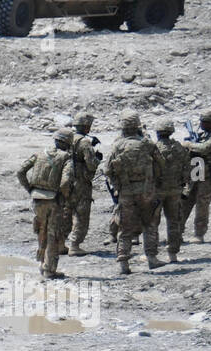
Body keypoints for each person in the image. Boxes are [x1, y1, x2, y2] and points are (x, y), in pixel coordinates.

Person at [103, 112, 164, 274]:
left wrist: (117, 185)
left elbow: (107, 170)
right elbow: (161, 166)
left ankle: (124, 263)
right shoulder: (148, 144)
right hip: (146, 191)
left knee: (125, 227)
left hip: (126, 192)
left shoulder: (117, 146)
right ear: (137, 126)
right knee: (150, 224)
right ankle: (152, 259)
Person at [16, 128, 76, 279]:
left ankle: (41, 263)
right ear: (68, 143)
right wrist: (65, 195)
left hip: (37, 199)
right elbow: (65, 181)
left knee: (40, 231)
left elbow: (20, 172)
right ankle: (49, 269)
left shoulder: (39, 154)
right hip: (54, 200)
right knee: (53, 234)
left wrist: (30, 189)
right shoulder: (66, 158)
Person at [180, 109, 211, 244]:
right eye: (202, 121)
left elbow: (204, 148)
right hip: (196, 169)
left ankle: (199, 234)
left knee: (202, 203)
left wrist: (189, 145)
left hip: (207, 173)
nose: (202, 124)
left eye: (206, 122)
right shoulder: (202, 135)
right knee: (186, 200)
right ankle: (177, 231)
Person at [153, 120, 191, 263]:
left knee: (152, 222)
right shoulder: (179, 148)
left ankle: (153, 254)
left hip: (157, 191)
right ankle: (173, 254)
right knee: (174, 222)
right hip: (175, 190)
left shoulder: (154, 148)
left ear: (157, 133)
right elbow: (188, 168)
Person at [64, 113, 101, 257]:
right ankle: (74, 245)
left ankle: (60, 243)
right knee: (81, 214)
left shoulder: (66, 138)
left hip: (66, 180)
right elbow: (91, 164)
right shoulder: (84, 142)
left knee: (66, 211)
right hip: (81, 182)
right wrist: (97, 158)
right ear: (86, 126)